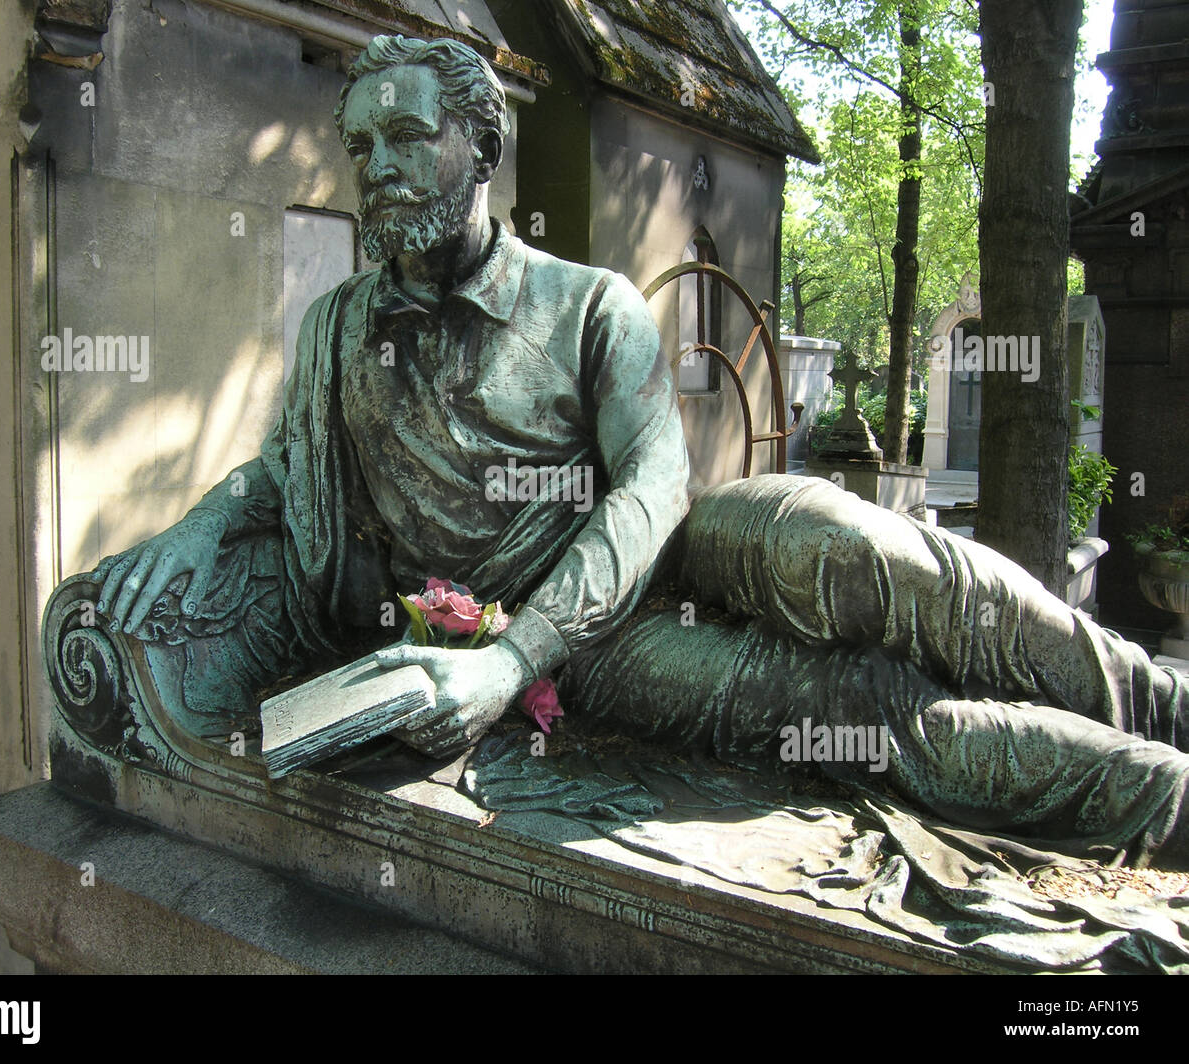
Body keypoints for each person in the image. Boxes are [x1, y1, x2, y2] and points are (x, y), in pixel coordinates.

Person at [85, 35, 1189, 866]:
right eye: (361, 143)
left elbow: (658, 478)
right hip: (587, 642)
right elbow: (285, 472)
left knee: (876, 557)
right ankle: (1160, 793)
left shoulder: (587, 303)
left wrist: (505, 663)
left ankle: (1147, 694)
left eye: (407, 136)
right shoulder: (335, 328)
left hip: (679, 542)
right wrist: (193, 529)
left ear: (481, 147)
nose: (376, 166)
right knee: (859, 710)